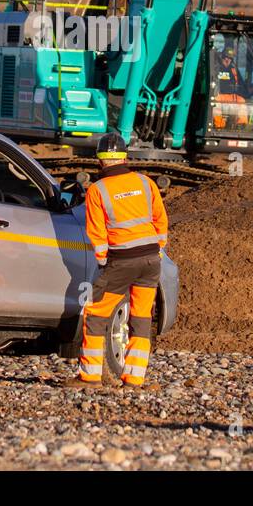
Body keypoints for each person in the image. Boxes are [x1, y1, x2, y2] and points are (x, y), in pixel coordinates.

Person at [66, 133, 168, 389]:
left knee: (96, 313)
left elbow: (96, 234)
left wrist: (103, 263)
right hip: (150, 260)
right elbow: (161, 221)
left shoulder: (97, 190)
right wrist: (156, 249)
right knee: (142, 317)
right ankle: (134, 379)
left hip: (122, 261)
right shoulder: (146, 183)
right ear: (124, 156)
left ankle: (89, 376)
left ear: (100, 160)